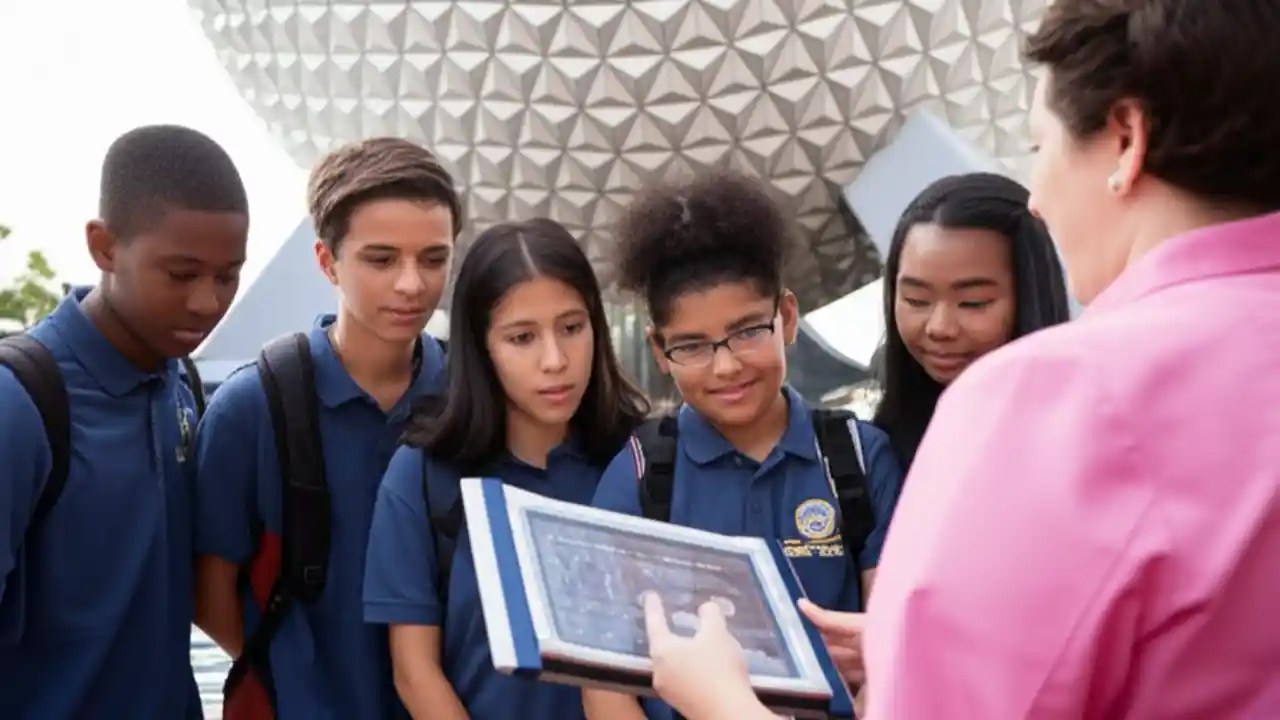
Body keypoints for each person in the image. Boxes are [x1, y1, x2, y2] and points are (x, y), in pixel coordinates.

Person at [639, 1, 1280, 718]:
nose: (1036, 199)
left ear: (1125, 141)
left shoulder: (1053, 398)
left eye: (1040, 148)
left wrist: (721, 699)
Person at [583, 171, 904, 720]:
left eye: (748, 331)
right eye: (692, 346)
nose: (726, 366)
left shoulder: (858, 456)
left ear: (787, 316)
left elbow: (895, 650)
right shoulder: (638, 475)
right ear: (659, 351)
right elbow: (606, 685)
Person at [192, 137, 460, 719]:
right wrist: (294, 674)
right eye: (382, 259)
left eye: (433, 258)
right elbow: (210, 596)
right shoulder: (251, 407)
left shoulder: (472, 400)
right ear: (326, 261)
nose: (412, 284)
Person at [0, 125, 249, 717]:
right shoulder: (20, 405)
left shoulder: (180, 385)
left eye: (228, 275)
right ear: (104, 246)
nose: (207, 303)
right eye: (181, 274)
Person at [362, 218, 649, 719]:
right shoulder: (421, 476)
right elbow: (415, 671)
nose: (555, 360)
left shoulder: (646, 459)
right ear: (481, 347)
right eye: (522, 338)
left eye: (572, 328)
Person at [873, 172, 1071, 468]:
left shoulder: (1084, 437)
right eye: (916, 300)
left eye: (973, 303)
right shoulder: (872, 457)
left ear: (1031, 295)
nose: (939, 327)